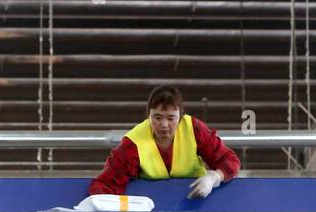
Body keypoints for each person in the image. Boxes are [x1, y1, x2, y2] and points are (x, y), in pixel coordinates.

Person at [89, 84, 240, 200]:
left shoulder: (194, 129)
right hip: (150, 210)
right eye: (157, 117)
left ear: (180, 117)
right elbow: (106, 185)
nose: (164, 125)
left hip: (196, 203)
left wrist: (214, 177)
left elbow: (230, 160)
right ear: (148, 115)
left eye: (171, 118)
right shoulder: (132, 143)